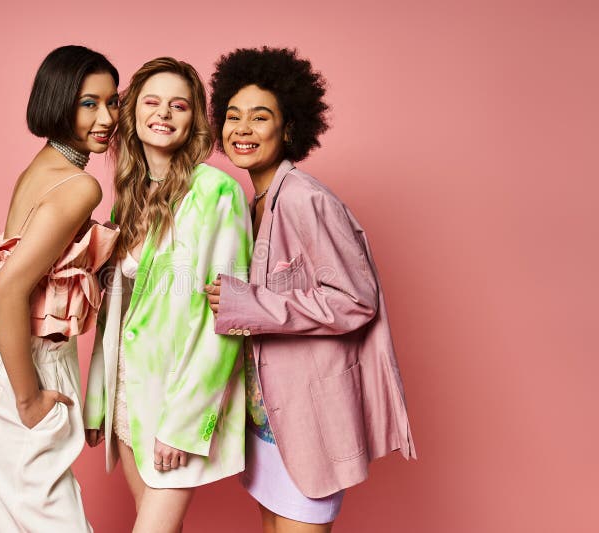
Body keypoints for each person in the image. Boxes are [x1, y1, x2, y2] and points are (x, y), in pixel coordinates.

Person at [205, 47, 416, 533]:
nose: (242, 129)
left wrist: (247, 303)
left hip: (307, 423)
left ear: (290, 128)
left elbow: (355, 300)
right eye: (233, 116)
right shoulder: (250, 204)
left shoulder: (305, 199)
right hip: (266, 420)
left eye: (260, 118)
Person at [83, 57, 253, 533]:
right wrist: (97, 397)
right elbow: (112, 312)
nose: (163, 114)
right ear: (133, 112)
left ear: (194, 118)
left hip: (174, 402)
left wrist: (184, 422)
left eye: (178, 105)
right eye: (152, 102)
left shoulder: (219, 192)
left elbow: (228, 321)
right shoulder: (128, 197)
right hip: (126, 403)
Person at [0, 45, 121, 532]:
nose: (107, 117)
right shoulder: (79, 186)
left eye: (112, 101)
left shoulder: (44, 167)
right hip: (26, 373)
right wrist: (30, 399)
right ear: (58, 101)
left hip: (4, 370)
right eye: (88, 102)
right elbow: (8, 290)